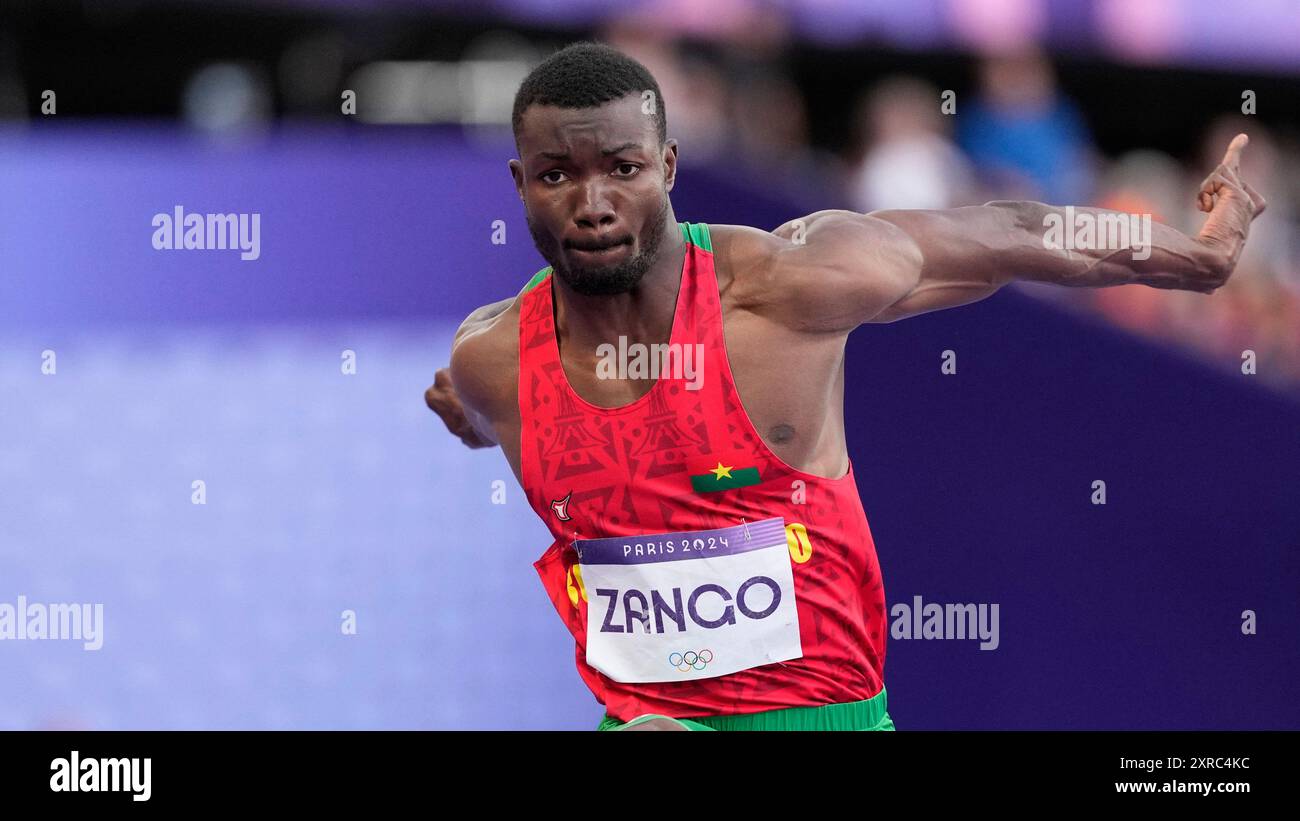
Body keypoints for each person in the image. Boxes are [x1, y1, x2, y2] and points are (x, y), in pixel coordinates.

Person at [424, 42, 1265, 731]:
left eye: (622, 168)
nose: (593, 204)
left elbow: (1014, 228)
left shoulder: (788, 287)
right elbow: (482, 412)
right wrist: (469, 414)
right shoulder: (493, 363)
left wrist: (1193, 257)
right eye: (557, 176)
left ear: (669, 167)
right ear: (520, 184)